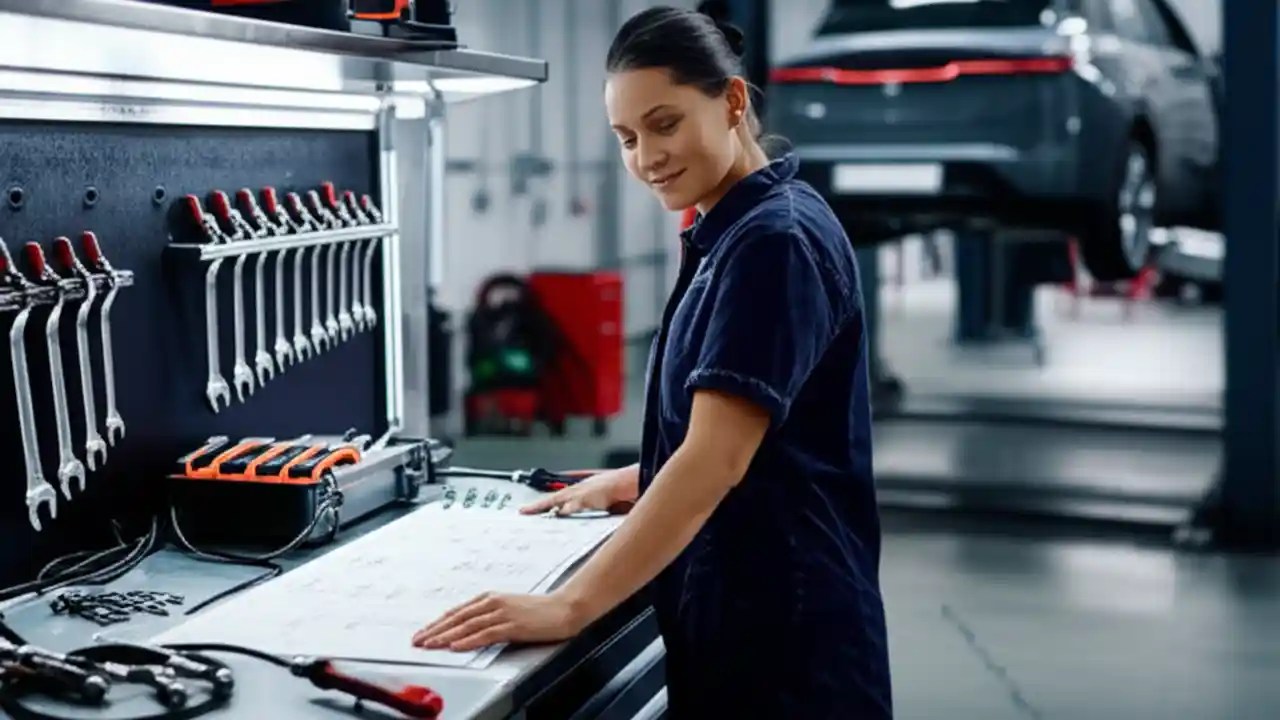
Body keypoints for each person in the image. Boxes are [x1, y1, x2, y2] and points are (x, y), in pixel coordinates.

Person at [412, 6, 892, 717]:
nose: (645, 157)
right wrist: (636, 476)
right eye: (626, 137)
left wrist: (570, 605)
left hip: (787, 654)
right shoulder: (735, 230)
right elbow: (763, 439)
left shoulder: (774, 243)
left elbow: (715, 460)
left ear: (732, 102)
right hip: (748, 626)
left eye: (664, 124)